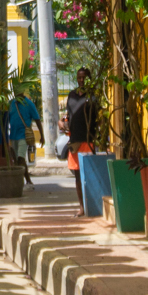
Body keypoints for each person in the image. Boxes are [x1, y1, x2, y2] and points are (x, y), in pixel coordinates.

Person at [64, 70, 99, 216]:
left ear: (89, 79)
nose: (81, 80)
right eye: (79, 77)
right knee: (78, 176)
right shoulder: (71, 95)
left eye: (84, 77)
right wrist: (63, 123)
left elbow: (98, 118)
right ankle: (82, 207)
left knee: (89, 176)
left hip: (88, 141)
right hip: (74, 141)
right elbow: (67, 115)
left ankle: (93, 206)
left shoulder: (93, 96)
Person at [6, 86, 39, 187]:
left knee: (21, 158)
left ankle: (27, 180)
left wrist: (42, 136)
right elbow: (7, 119)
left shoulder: (29, 103)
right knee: (16, 160)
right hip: (13, 136)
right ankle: (20, 181)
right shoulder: (11, 103)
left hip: (23, 136)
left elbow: (37, 119)